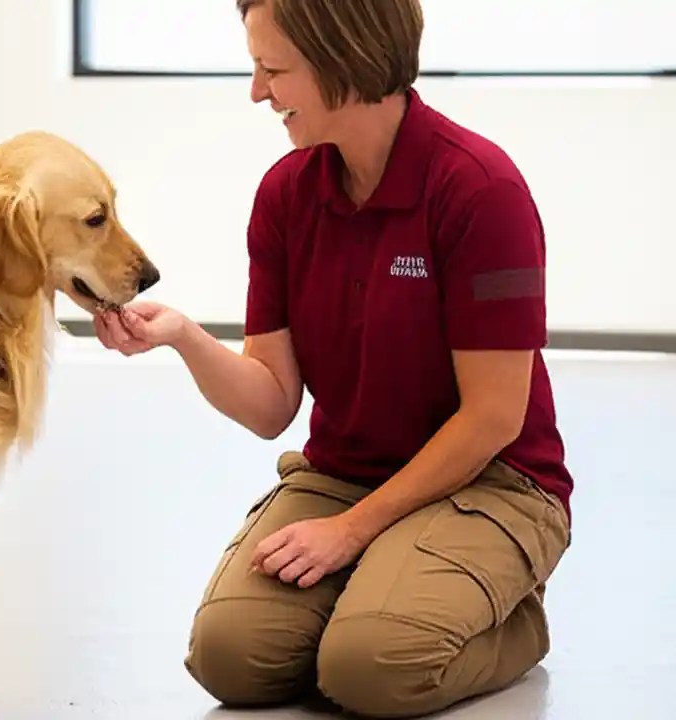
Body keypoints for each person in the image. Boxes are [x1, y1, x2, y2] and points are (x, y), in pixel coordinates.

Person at [92, 0, 573, 716]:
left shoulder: (481, 190)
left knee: (370, 670)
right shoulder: (286, 195)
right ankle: (390, 585)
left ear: (345, 57)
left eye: (273, 70)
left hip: (493, 481)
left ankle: (513, 620)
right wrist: (184, 338)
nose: (259, 92)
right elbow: (270, 406)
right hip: (346, 475)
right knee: (231, 659)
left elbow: (494, 419)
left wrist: (351, 533)